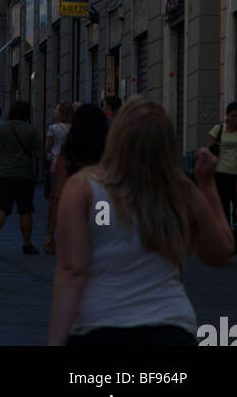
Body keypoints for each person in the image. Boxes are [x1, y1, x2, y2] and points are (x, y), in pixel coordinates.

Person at [48, 97, 235, 345]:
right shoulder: (180, 190)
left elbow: (73, 271)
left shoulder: (84, 187)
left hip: (101, 325)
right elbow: (219, 253)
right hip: (170, 328)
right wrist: (207, 184)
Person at [45, 104, 105, 254]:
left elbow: (56, 196)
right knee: (101, 240)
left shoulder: (69, 151)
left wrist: (50, 234)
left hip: (75, 204)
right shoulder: (109, 149)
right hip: (101, 205)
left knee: (74, 252)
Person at [0, 100, 44, 256]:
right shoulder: (31, 131)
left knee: (1, 207)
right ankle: (26, 244)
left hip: (3, 173)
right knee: (25, 210)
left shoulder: (0, 128)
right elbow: (40, 154)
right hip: (24, 175)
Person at [207, 100, 237, 230]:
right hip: (221, 175)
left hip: (236, 176)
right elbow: (209, 150)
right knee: (223, 211)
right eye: (232, 115)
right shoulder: (218, 130)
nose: (234, 119)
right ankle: (227, 240)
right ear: (227, 115)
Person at [44, 102, 73, 203]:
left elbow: (47, 148)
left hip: (56, 163)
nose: (54, 111)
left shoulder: (53, 128)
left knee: (56, 194)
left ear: (62, 112)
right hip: (72, 164)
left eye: (56, 109)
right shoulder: (75, 127)